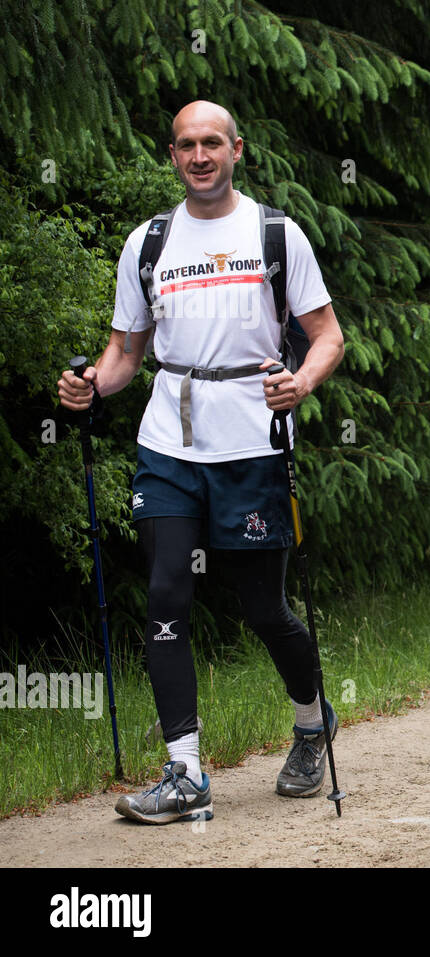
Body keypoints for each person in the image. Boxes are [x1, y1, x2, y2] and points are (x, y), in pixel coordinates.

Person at [57, 100, 345, 824]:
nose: (199, 155)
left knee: (262, 606)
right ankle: (184, 770)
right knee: (164, 596)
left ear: (236, 149)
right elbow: (125, 353)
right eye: (186, 144)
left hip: (250, 441)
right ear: (174, 154)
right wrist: (91, 384)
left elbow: (327, 335)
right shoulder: (148, 242)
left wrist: (301, 381)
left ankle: (312, 721)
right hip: (169, 443)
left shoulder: (276, 233)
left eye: (211, 142)